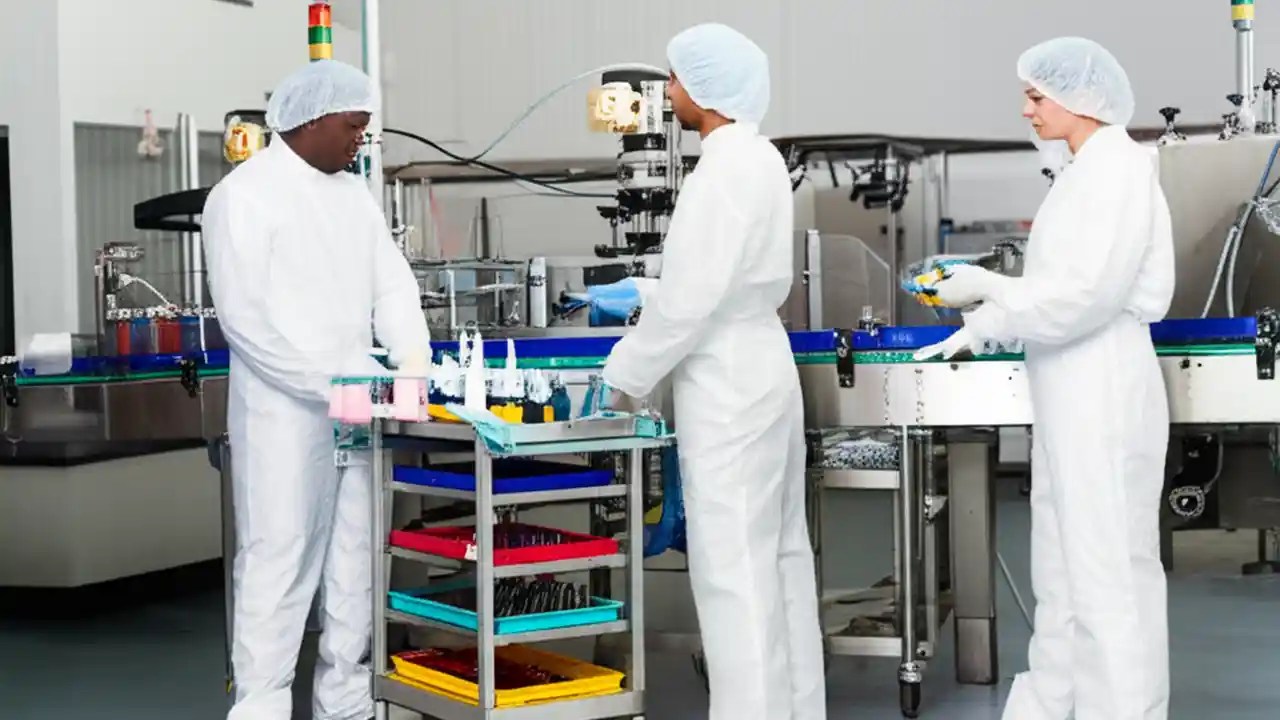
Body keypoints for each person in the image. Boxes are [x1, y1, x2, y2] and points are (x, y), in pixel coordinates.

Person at [920, 37, 1174, 720]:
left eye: (1037, 95)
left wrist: (988, 290)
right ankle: (1050, 705)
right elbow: (1056, 290)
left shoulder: (1118, 169)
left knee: (1110, 574)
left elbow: (1083, 298)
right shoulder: (1079, 172)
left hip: (1103, 385)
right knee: (1061, 569)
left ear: (1080, 99)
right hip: (1067, 389)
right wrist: (979, 325)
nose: (1026, 109)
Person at [601, 23, 827, 720]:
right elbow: (720, 282)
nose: (668, 92)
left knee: (733, 572)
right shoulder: (759, 160)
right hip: (762, 364)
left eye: (675, 79)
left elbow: (692, 303)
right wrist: (655, 293)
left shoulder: (720, 171)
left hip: (726, 382)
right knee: (782, 558)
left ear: (707, 91)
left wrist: (621, 376)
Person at [202, 59, 430, 720]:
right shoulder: (243, 196)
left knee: (357, 561)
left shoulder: (353, 196)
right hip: (284, 416)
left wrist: (410, 363)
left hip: (359, 412)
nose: (361, 139)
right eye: (353, 126)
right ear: (311, 119)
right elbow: (246, 326)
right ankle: (262, 706)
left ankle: (347, 703)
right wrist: (334, 385)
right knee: (278, 562)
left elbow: (391, 285)